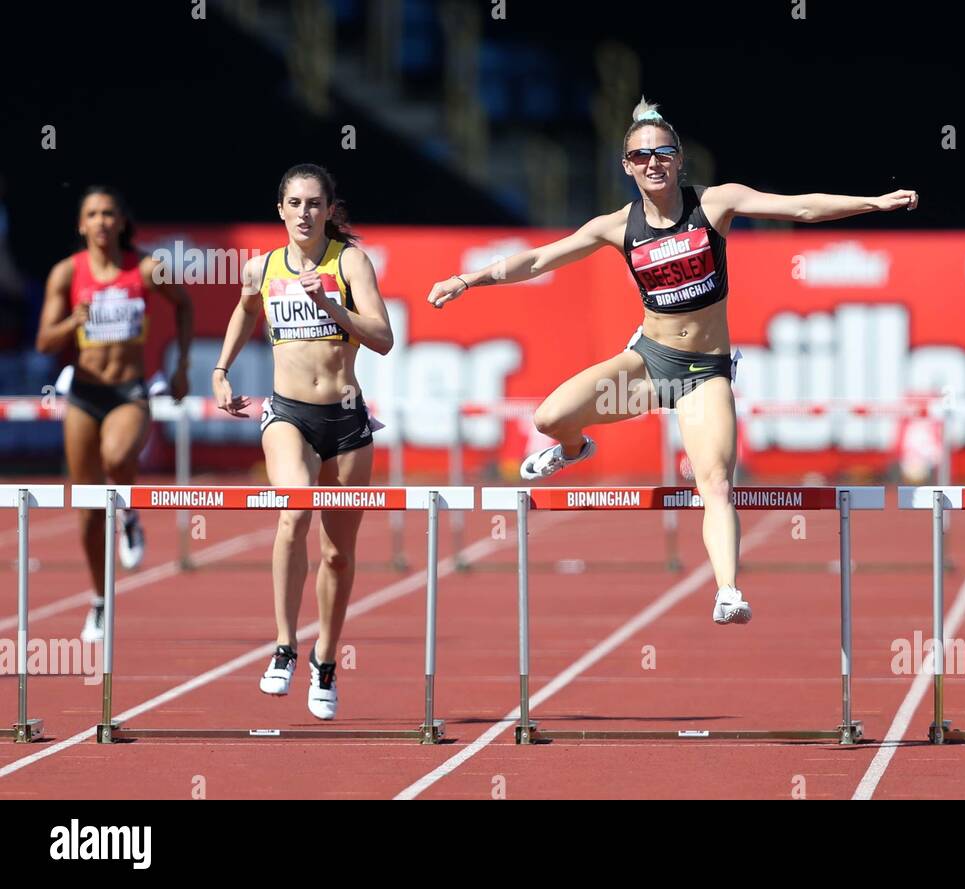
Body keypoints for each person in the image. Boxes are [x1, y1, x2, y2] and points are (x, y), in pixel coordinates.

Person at [429, 98, 918, 626]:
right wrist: (467, 280)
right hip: (648, 367)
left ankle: (728, 589)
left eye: (663, 153)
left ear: (680, 159)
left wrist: (874, 203)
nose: (653, 163)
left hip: (703, 374)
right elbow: (539, 258)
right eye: (641, 156)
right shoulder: (616, 226)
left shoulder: (714, 204)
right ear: (627, 166)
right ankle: (575, 448)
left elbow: (798, 208)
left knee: (715, 484)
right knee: (548, 418)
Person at [213, 164, 393, 719]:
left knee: (337, 553)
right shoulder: (262, 268)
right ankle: (285, 647)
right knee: (294, 512)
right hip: (287, 413)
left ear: (328, 210)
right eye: (294, 203)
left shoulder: (350, 262)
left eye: (314, 204)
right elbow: (245, 313)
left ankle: (326, 659)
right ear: (281, 210)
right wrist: (222, 370)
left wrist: (333, 307)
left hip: (346, 419)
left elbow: (384, 338)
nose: (304, 213)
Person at [35, 185, 193, 643]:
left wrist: (180, 366)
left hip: (129, 390)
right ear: (81, 224)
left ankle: (127, 515)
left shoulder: (145, 268)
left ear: (122, 222)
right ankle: (100, 600)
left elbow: (184, 305)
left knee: (119, 456)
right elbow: (45, 341)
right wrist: (73, 321)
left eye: (110, 213)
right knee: (85, 507)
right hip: (85, 392)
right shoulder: (67, 273)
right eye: (93, 214)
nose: (102, 221)